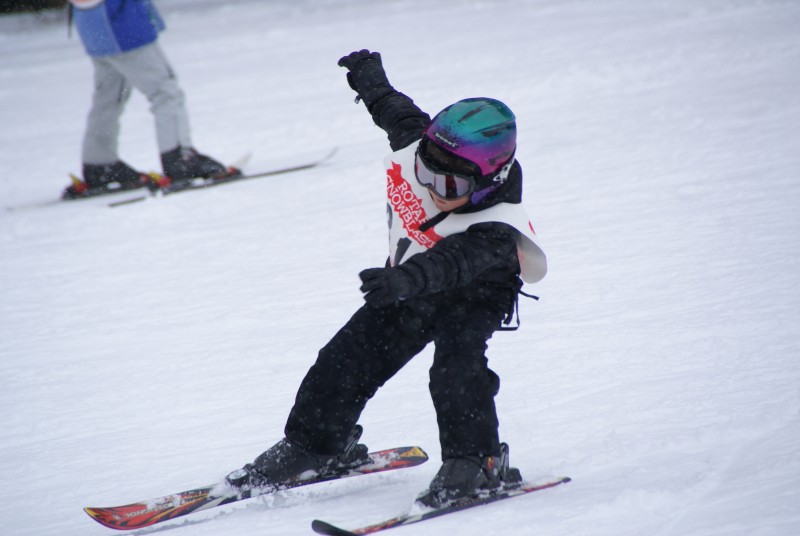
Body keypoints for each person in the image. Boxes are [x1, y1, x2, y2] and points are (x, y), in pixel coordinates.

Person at [225, 50, 547, 508]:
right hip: (410, 282)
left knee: (456, 372)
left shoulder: (497, 225)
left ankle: (478, 461)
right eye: (424, 171)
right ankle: (317, 445)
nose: (434, 187)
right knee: (345, 359)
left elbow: (453, 262)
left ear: (489, 182)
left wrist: (403, 281)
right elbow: (397, 113)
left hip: (472, 293)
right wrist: (371, 83)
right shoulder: (427, 147)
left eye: (451, 186)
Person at [65, 0, 226, 197]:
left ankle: (100, 163)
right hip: (121, 25)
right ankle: (179, 159)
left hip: (93, 25)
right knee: (165, 92)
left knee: (110, 98)